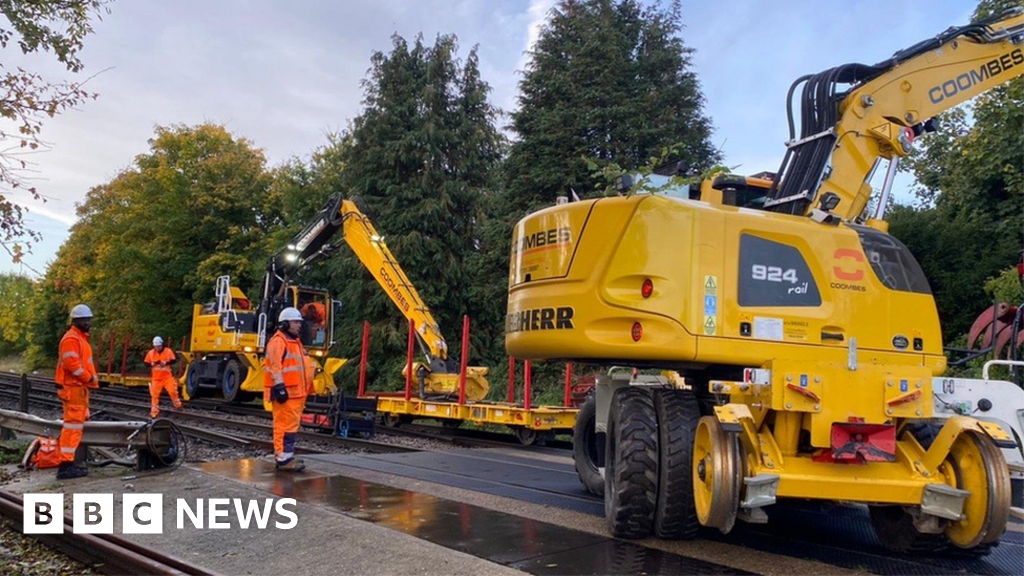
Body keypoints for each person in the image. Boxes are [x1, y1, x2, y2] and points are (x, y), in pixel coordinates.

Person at [264, 307, 315, 472]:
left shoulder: (294, 342)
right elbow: (275, 367)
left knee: (290, 427)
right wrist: (279, 387)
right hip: (286, 393)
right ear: (285, 324)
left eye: (299, 322)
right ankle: (283, 458)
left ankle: (287, 456)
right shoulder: (279, 342)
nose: (299, 325)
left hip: (295, 393)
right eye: (295, 322)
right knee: (283, 426)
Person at [54, 304, 99, 480]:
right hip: (73, 388)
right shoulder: (71, 339)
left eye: (89, 320)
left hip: (78, 389)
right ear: (76, 321)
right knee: (72, 427)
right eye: (85, 320)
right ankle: (65, 466)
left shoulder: (79, 338)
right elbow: (72, 364)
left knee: (75, 427)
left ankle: (68, 464)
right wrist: (88, 377)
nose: (88, 323)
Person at [144, 336, 181, 418]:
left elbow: (174, 360)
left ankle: (177, 405)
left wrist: (166, 363)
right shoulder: (151, 353)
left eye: (159, 346)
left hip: (167, 377)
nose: (157, 348)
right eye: (156, 346)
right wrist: (152, 364)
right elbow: (146, 363)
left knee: (172, 391)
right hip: (156, 378)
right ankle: (154, 412)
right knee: (154, 395)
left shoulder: (168, 351)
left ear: (162, 345)